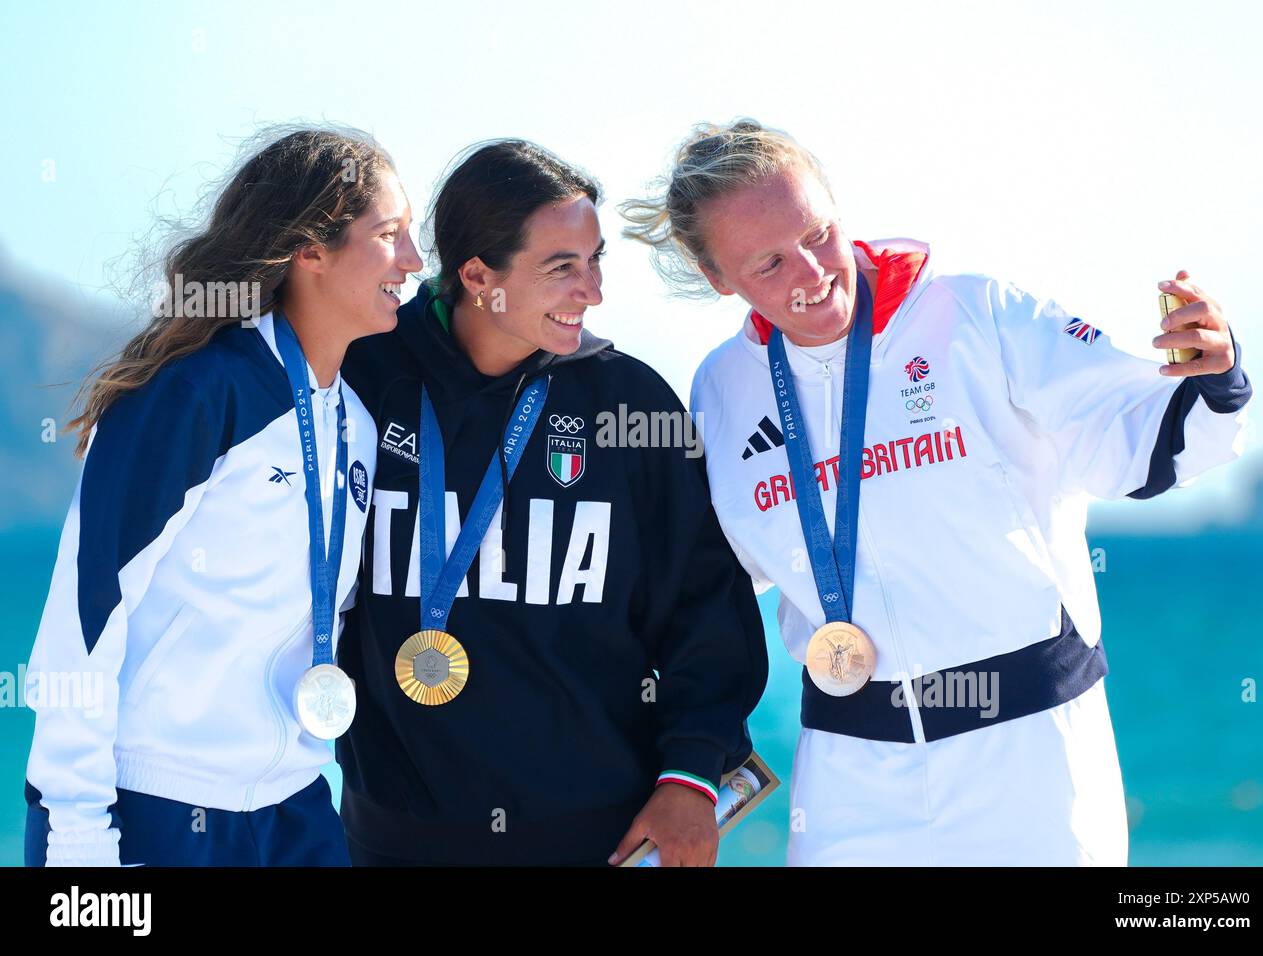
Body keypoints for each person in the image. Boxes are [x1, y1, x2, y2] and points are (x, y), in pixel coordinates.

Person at [621, 119, 1252, 866]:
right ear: (718, 278)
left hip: (1028, 754)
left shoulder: (976, 315)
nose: (811, 273)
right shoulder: (723, 386)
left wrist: (1214, 377)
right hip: (850, 768)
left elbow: (1135, 441)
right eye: (769, 263)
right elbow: (712, 577)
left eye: (819, 234)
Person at [337, 139, 767, 866]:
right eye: (562, 267)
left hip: (595, 835)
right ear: (478, 275)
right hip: (393, 837)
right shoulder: (362, 374)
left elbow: (707, 612)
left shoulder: (628, 404)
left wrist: (691, 774)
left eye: (596, 260)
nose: (592, 291)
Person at [24, 126, 422, 866]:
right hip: (155, 809)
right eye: (391, 235)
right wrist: (76, 830)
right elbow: (87, 615)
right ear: (311, 250)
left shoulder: (359, 428)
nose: (414, 262)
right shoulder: (196, 392)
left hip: (296, 809)